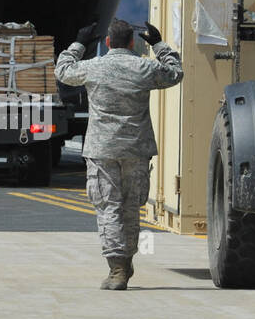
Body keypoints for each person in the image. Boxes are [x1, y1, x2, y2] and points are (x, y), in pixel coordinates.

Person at [54, 18, 183, 290]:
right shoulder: (144, 67)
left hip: (102, 150)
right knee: (130, 208)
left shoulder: (94, 68)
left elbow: (63, 70)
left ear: (108, 42)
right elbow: (175, 72)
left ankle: (117, 269)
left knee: (108, 208)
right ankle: (125, 262)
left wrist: (79, 43)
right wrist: (159, 44)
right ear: (132, 42)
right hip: (136, 149)